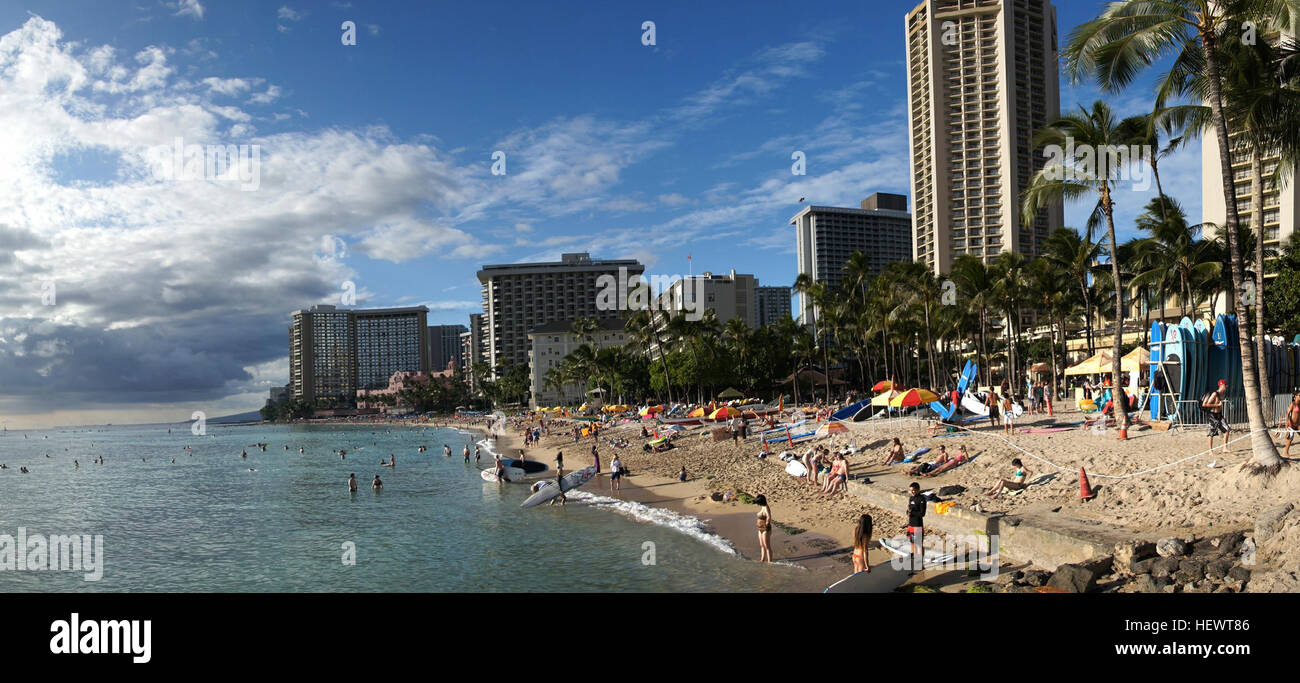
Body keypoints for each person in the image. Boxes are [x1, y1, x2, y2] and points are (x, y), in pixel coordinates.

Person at [1203, 379, 1231, 455]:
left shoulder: (1223, 394)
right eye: (1225, 385)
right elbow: (1205, 404)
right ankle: (1210, 451)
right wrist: (1217, 405)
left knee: (1227, 429)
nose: (1226, 387)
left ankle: (1225, 448)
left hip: (1219, 414)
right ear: (1221, 385)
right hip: (1212, 415)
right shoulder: (1215, 394)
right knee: (1212, 432)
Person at [906, 482, 926, 569]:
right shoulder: (911, 498)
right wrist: (908, 512)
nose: (912, 492)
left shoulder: (921, 499)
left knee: (919, 545)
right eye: (911, 490)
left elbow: (922, 514)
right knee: (912, 544)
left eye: (914, 490)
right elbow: (909, 509)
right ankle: (914, 561)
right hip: (911, 525)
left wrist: (912, 512)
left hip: (918, 525)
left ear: (918, 490)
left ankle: (921, 563)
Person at [754, 494, 773, 563]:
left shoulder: (766, 507)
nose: (757, 504)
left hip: (765, 529)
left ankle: (769, 561)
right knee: (762, 545)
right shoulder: (762, 507)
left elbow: (769, 516)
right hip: (760, 529)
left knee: (767, 546)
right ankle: (762, 559)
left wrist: (767, 523)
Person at [1280, 392, 1300, 457]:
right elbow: (1288, 414)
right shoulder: (1293, 404)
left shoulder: (1299, 404)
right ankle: (1286, 452)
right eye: (1299, 395)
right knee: (1291, 438)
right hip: (1291, 424)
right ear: (1295, 397)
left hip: (1298, 424)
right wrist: (1287, 423)